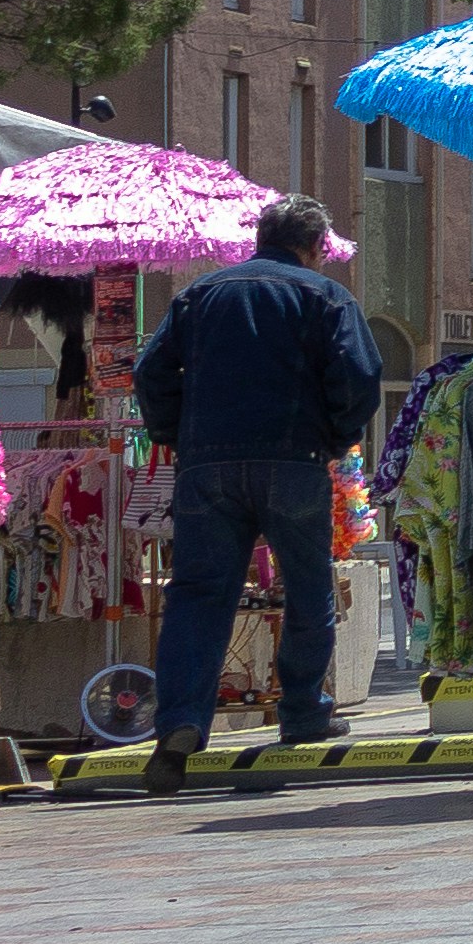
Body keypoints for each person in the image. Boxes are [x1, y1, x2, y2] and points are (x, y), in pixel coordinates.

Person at [126, 196, 379, 786]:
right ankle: (303, 712)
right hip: (294, 461)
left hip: (206, 466)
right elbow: (361, 377)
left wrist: (175, 433)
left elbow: (150, 372)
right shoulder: (325, 296)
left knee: (198, 596)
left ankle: (180, 723)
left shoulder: (199, 295)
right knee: (308, 586)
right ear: (315, 247)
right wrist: (334, 435)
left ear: (259, 238)